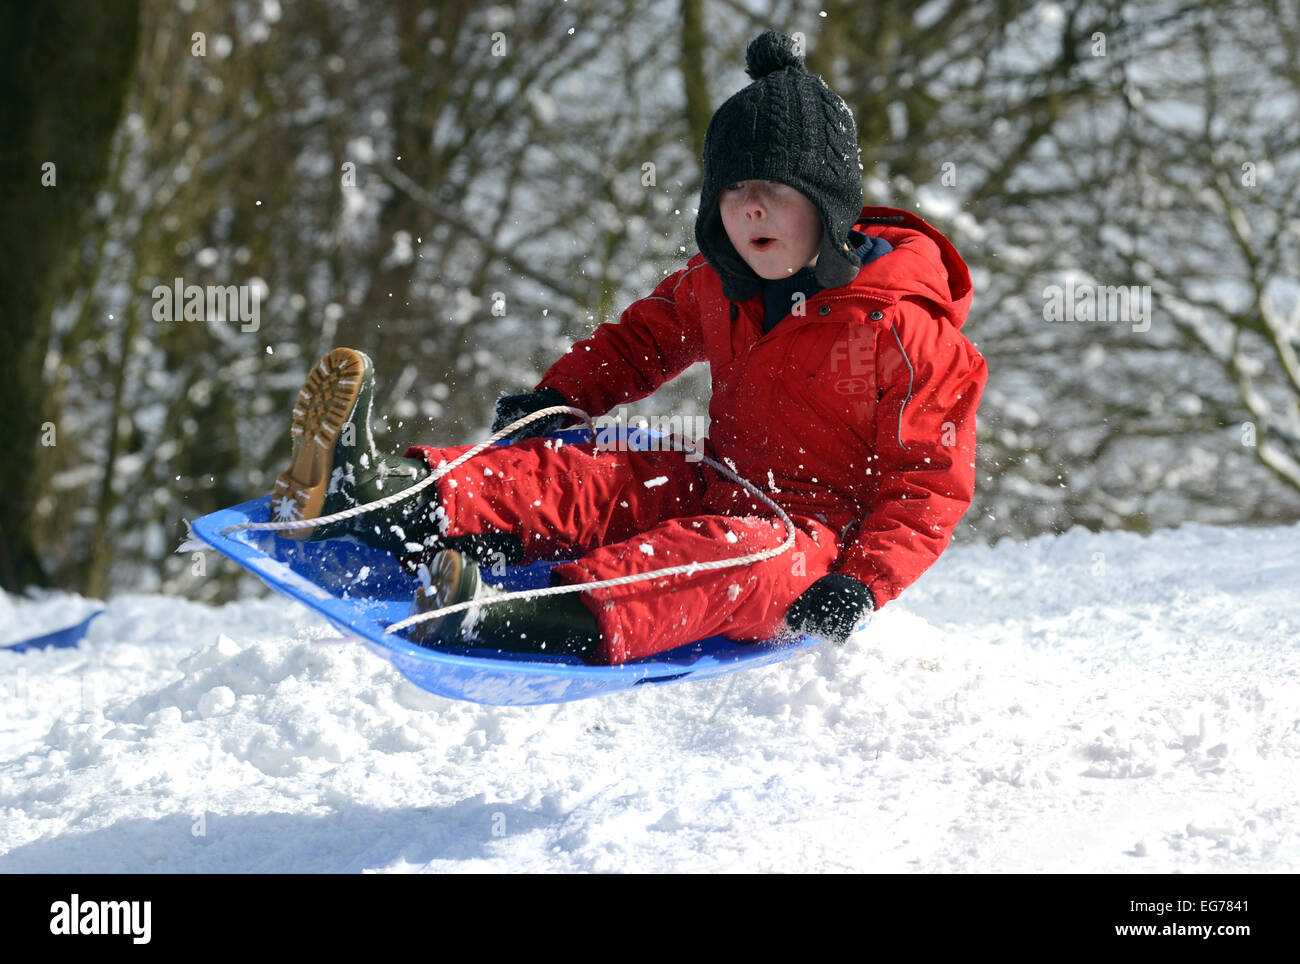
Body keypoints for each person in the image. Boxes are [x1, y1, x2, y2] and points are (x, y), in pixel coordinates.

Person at [270, 30, 987, 666]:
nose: (751, 209)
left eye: (775, 189)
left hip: (814, 542)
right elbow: (640, 342)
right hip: (721, 478)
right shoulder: (721, 283)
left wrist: (860, 584)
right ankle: (384, 494)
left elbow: (928, 484)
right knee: (604, 468)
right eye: (734, 191)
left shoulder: (905, 331)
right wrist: (562, 397)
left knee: (748, 556)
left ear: (829, 205)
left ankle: (503, 615)